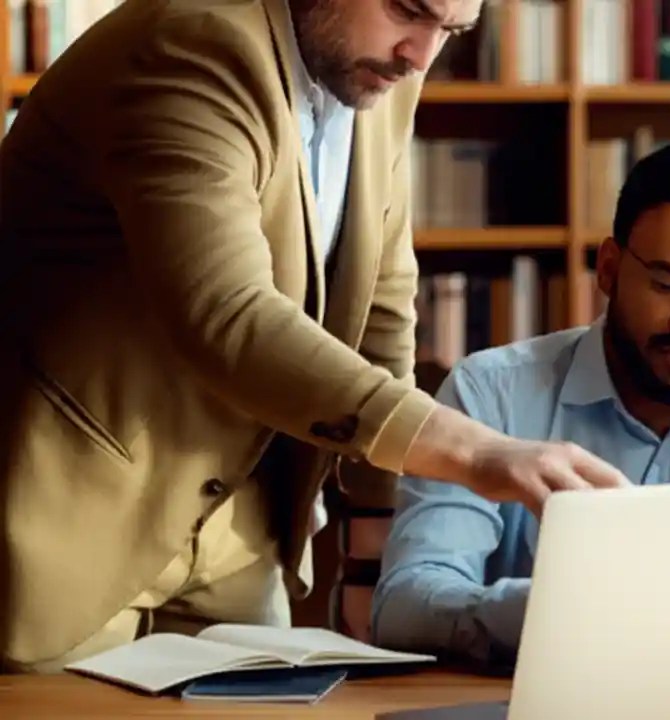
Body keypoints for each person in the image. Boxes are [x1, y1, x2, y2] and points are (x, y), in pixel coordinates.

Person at [0, 0, 627, 673]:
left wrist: (370, 546)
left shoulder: (383, 68)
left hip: (234, 534)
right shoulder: (195, 43)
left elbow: (382, 295)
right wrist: (474, 450)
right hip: (61, 531)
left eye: (451, 32)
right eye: (409, 11)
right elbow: (227, 314)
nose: (422, 56)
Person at [371, 139, 670, 666]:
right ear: (608, 269)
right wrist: (563, 614)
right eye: (668, 285)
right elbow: (404, 606)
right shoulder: (491, 393)